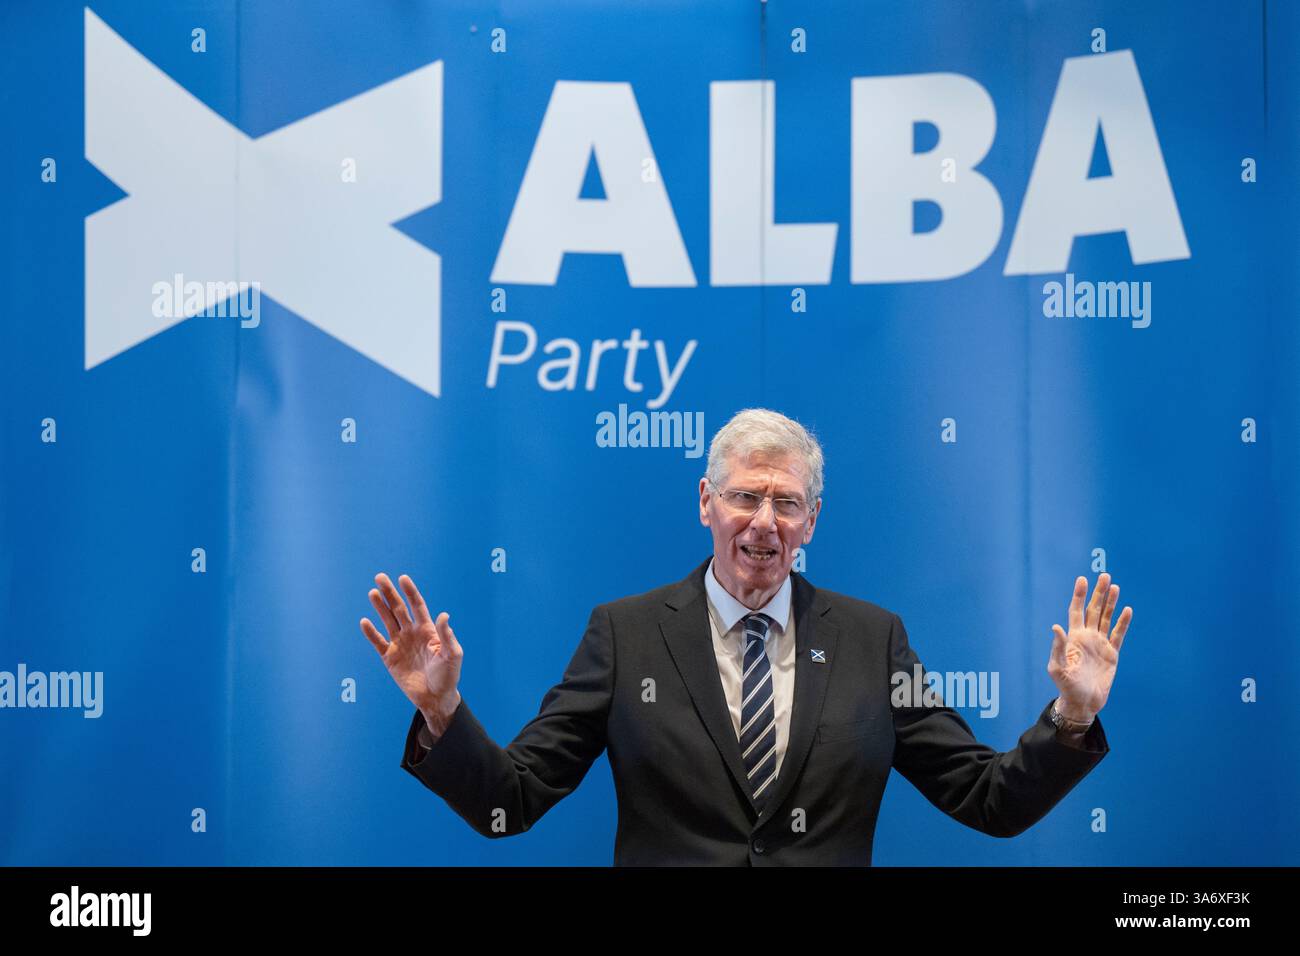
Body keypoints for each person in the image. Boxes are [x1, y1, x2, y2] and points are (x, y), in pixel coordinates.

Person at [360, 408, 1132, 865]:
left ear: (811, 521)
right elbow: (512, 802)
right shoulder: (624, 636)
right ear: (706, 503)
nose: (765, 521)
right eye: (744, 497)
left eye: (786, 502)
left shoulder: (873, 641)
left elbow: (988, 800)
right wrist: (442, 713)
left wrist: (1072, 718)